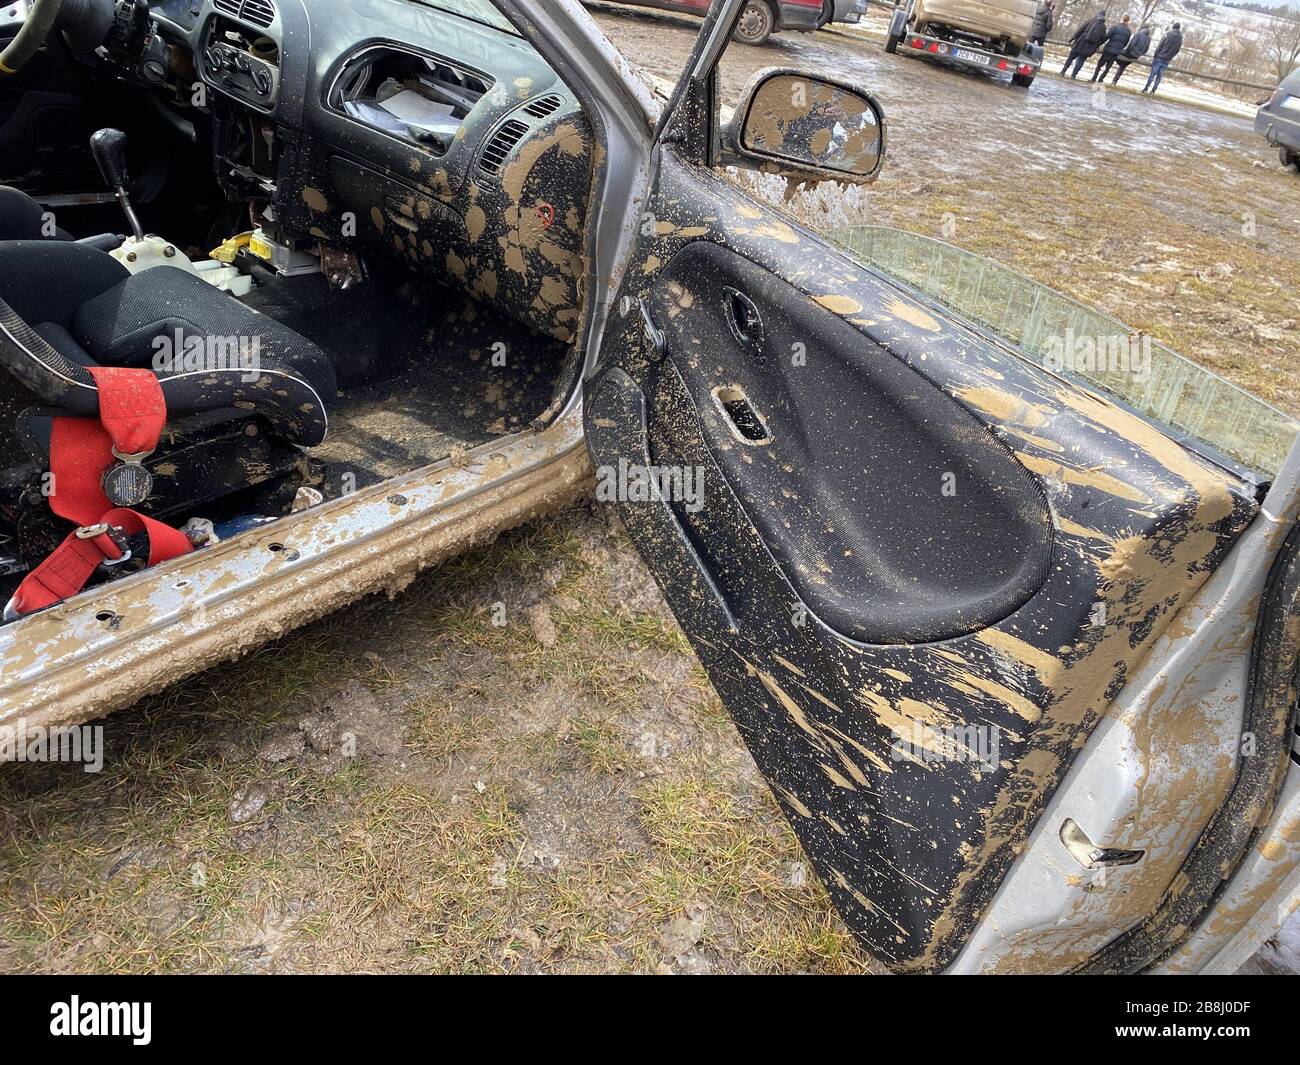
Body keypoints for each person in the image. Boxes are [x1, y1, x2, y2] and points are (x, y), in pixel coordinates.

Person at [1062, 11, 1107, 80]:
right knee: (1081, 60)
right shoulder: (1103, 27)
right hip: (1090, 47)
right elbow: (1103, 39)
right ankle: (1074, 75)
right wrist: (1097, 45)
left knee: (1071, 57)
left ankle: (1063, 71)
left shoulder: (1090, 21)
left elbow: (1080, 29)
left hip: (1081, 42)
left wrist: (1073, 38)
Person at [1143, 22, 1183, 94]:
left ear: (1173, 27)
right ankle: (1153, 91)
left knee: (1153, 74)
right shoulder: (1180, 38)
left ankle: (1146, 88)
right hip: (1167, 60)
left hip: (1159, 57)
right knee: (1159, 76)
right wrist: (1171, 56)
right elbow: (1177, 50)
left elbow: (1159, 46)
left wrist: (1155, 55)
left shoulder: (1167, 35)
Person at [1091, 13, 1131, 82]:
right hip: (1116, 51)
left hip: (1108, 49)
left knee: (1100, 64)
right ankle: (1101, 79)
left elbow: (1107, 37)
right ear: (1128, 21)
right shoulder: (1128, 31)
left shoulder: (1115, 27)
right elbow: (1126, 42)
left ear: (1121, 19)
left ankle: (1094, 78)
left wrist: (1098, 44)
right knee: (1108, 67)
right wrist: (1120, 48)